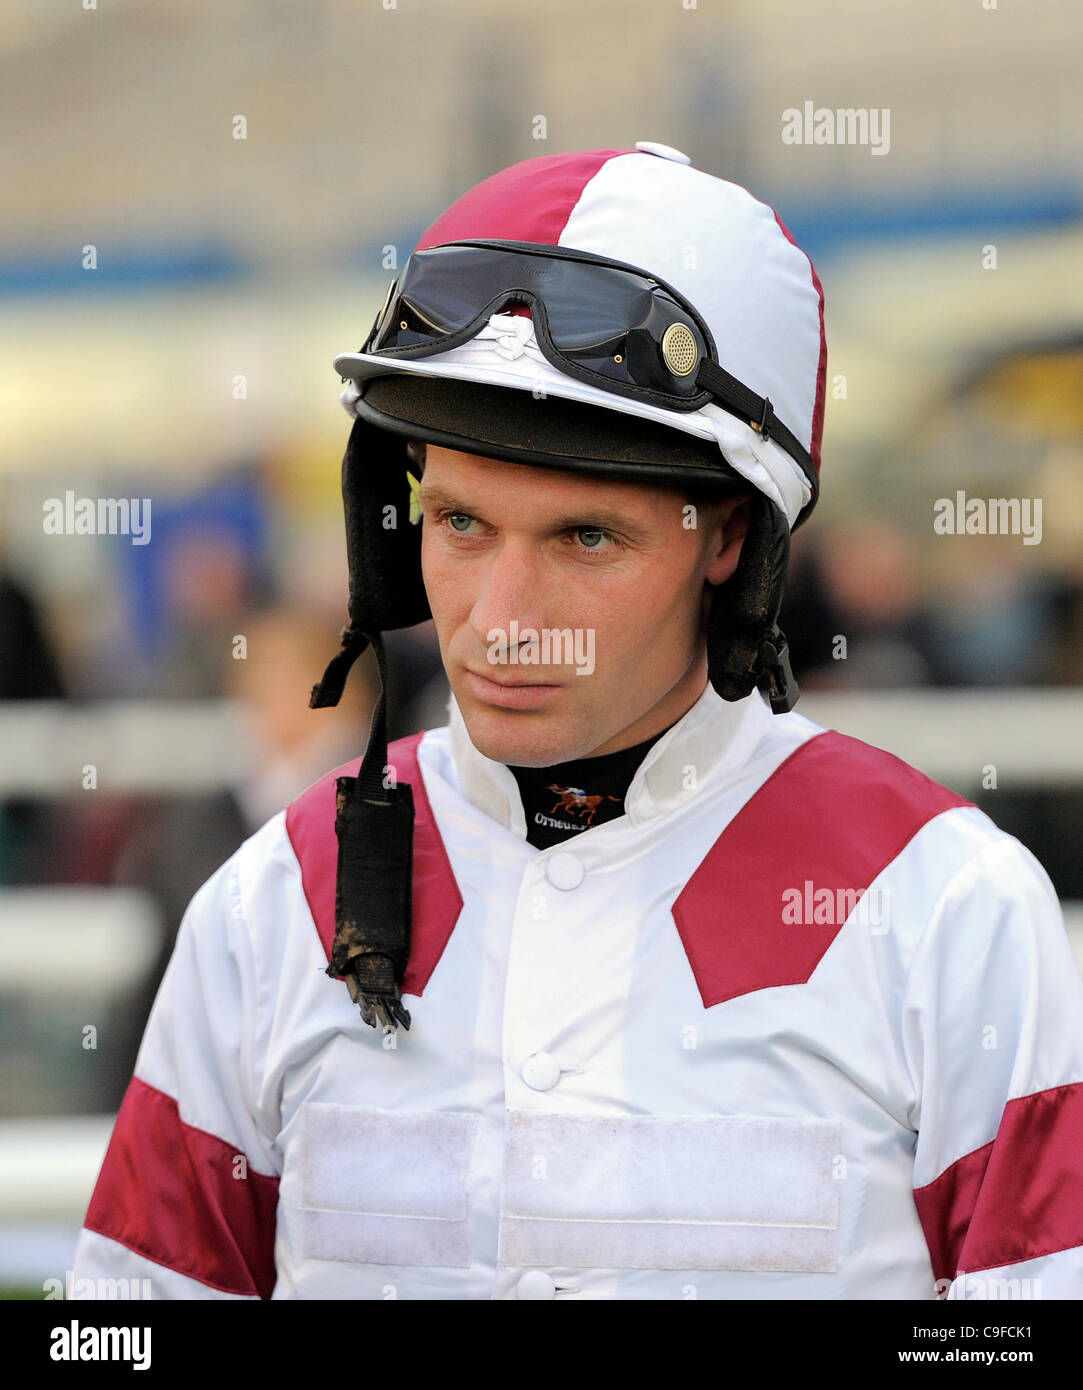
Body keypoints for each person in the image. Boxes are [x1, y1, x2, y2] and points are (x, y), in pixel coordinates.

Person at [73, 143, 1083, 1300]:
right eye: (459, 523)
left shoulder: (948, 909)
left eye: (585, 539)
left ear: (733, 540)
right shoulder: (270, 905)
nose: (502, 624)